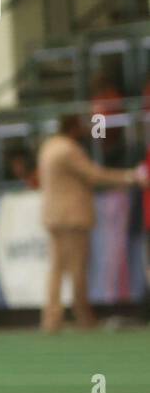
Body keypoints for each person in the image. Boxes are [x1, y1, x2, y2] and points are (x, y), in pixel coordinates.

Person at [37, 114, 145, 332]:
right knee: (77, 267)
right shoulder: (68, 150)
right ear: (73, 128)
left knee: (56, 268)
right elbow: (94, 175)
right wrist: (130, 177)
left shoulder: (48, 147)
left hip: (53, 216)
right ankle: (83, 315)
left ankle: (51, 318)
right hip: (72, 217)